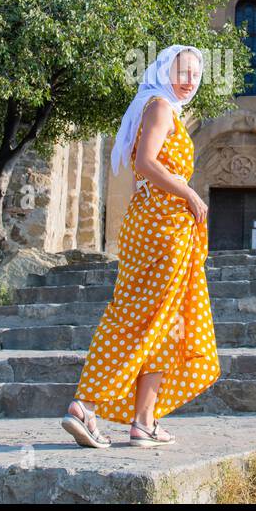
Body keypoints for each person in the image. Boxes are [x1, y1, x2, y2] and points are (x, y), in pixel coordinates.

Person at [61, 44, 220, 447]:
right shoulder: (159, 107)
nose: (189, 82)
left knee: (165, 323)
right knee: (137, 318)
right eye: (183, 72)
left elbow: (140, 181)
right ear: (166, 69)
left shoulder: (164, 111)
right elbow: (146, 163)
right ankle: (86, 405)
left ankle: (143, 421)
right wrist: (190, 193)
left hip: (161, 227)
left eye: (196, 76)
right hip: (162, 231)